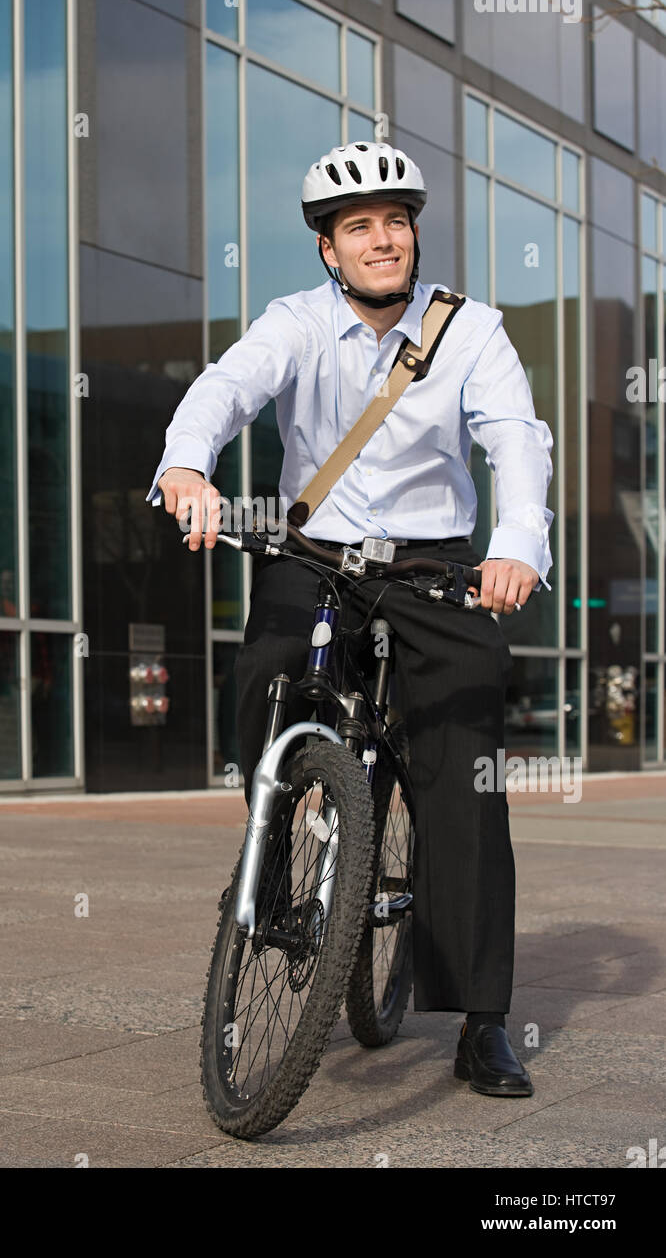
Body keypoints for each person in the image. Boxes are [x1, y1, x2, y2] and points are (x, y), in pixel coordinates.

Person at [145, 141, 554, 1099]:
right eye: (359, 227)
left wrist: (517, 547)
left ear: (414, 235)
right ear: (330, 250)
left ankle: (483, 1020)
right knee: (262, 688)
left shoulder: (473, 331)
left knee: (464, 778)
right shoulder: (293, 323)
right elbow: (225, 390)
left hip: (435, 570)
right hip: (315, 558)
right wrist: (186, 468)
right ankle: (274, 849)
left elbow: (515, 443)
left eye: (396, 222)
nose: (383, 239)